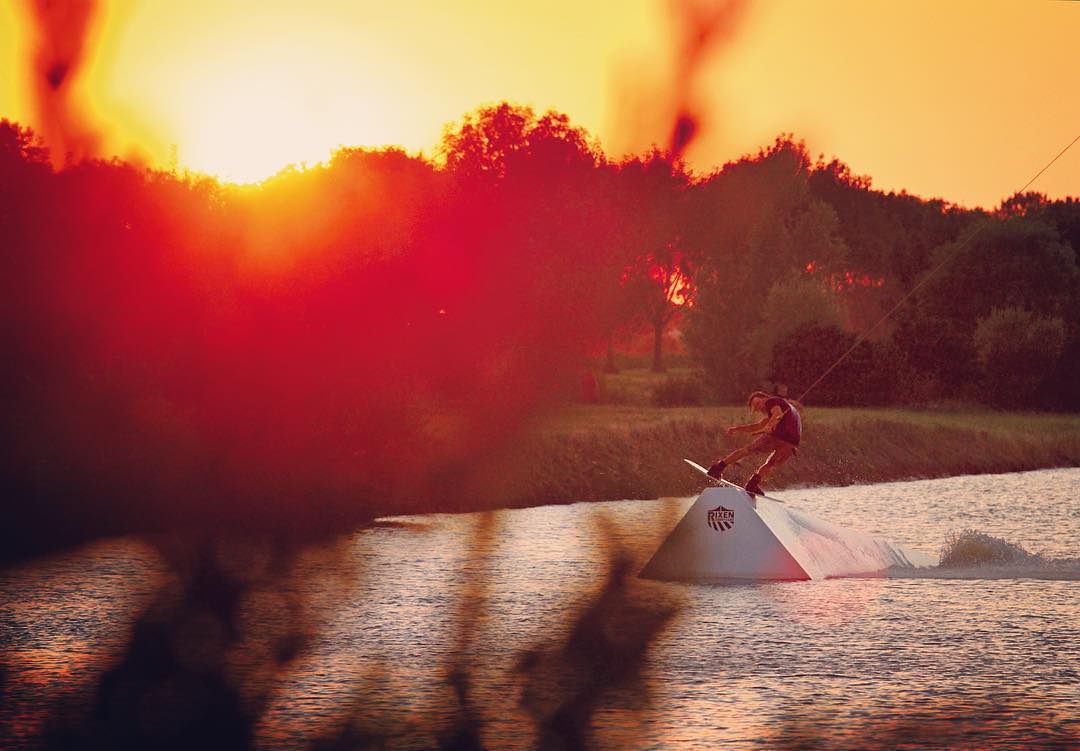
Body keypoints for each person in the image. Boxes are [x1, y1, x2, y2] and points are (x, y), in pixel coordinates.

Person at [708, 390, 801, 495]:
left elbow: (777, 413)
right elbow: (757, 426)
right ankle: (747, 482)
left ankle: (722, 470)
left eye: (758, 403)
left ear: (764, 398)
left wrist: (769, 427)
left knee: (756, 455)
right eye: (756, 408)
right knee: (765, 459)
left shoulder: (771, 401)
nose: (759, 408)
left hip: (782, 439)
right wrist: (736, 429)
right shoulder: (777, 409)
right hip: (789, 441)